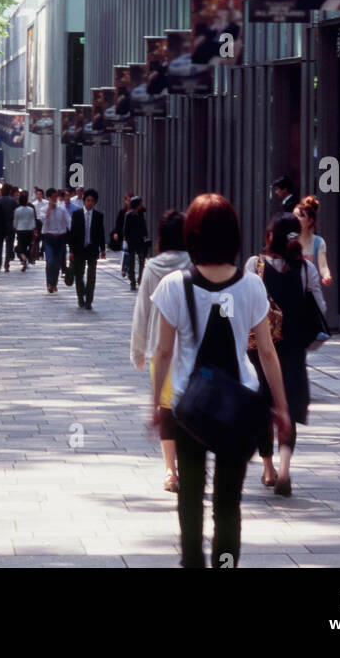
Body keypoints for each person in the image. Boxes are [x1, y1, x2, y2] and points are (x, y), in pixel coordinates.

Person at [151, 194, 290, 569]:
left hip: (188, 405)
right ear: (234, 234)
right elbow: (266, 353)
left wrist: (155, 404)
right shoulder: (251, 286)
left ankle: (192, 562)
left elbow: (163, 353)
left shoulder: (172, 285)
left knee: (191, 498)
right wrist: (281, 408)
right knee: (228, 504)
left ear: (191, 234)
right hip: (238, 405)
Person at [245, 214, 326, 496]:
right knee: (287, 408)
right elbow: (320, 309)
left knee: (263, 408)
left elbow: (243, 304)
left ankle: (267, 469)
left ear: (270, 237)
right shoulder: (306, 269)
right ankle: (286, 468)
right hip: (293, 349)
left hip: (258, 350)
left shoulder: (254, 266)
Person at [130, 208, 191, 491]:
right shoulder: (195, 264)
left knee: (166, 409)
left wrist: (138, 351)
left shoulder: (152, 267)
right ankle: (192, 464)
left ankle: (170, 470)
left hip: (158, 346)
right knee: (188, 408)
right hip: (191, 345)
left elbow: (142, 310)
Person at [68, 188, 105, 309]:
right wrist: (71, 251)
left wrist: (103, 249)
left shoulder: (99, 216)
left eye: (92, 200)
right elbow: (72, 234)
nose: (90, 202)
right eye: (88, 200)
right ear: (84, 201)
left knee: (92, 276)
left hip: (92, 248)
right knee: (79, 275)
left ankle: (89, 300)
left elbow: (101, 233)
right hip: (79, 249)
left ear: (95, 202)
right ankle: (80, 298)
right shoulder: (77, 214)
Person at [294, 196, 333, 286]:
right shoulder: (289, 239)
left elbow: (323, 266)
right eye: (293, 215)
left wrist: (326, 276)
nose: (295, 219)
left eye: (300, 216)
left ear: (310, 221)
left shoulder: (318, 242)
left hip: (310, 290)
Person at [42, 189, 70, 293]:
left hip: (60, 238)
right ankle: (49, 283)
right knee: (50, 262)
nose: (54, 199)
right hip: (49, 238)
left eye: (55, 196)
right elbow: (43, 221)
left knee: (57, 263)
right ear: (48, 198)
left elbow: (69, 222)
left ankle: (54, 283)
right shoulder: (44, 209)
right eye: (52, 197)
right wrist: (49, 210)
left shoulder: (62, 209)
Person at [123, 195, 149, 291]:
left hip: (141, 241)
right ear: (136, 204)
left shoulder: (141, 214)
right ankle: (132, 281)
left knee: (142, 260)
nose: (142, 205)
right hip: (131, 241)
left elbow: (144, 226)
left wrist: (146, 236)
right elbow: (125, 229)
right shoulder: (128, 215)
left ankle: (140, 278)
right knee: (131, 262)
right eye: (140, 203)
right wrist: (125, 239)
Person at [0, 183, 18, 271]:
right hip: (10, 225)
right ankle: (6, 264)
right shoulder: (13, 201)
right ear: (9, 191)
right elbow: (15, 215)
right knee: (9, 246)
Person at [13, 190, 37, 271]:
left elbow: (15, 221)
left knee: (20, 247)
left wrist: (15, 228)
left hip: (20, 230)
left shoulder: (17, 210)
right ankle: (28, 257)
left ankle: (23, 259)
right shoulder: (30, 209)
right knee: (27, 246)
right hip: (29, 230)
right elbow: (33, 220)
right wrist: (34, 230)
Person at [112, 193, 131, 277]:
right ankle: (124, 269)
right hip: (124, 236)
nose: (128, 202)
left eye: (130, 200)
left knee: (129, 253)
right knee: (126, 252)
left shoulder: (136, 212)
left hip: (133, 236)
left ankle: (127, 269)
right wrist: (116, 232)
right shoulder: (122, 212)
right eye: (127, 200)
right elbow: (118, 224)